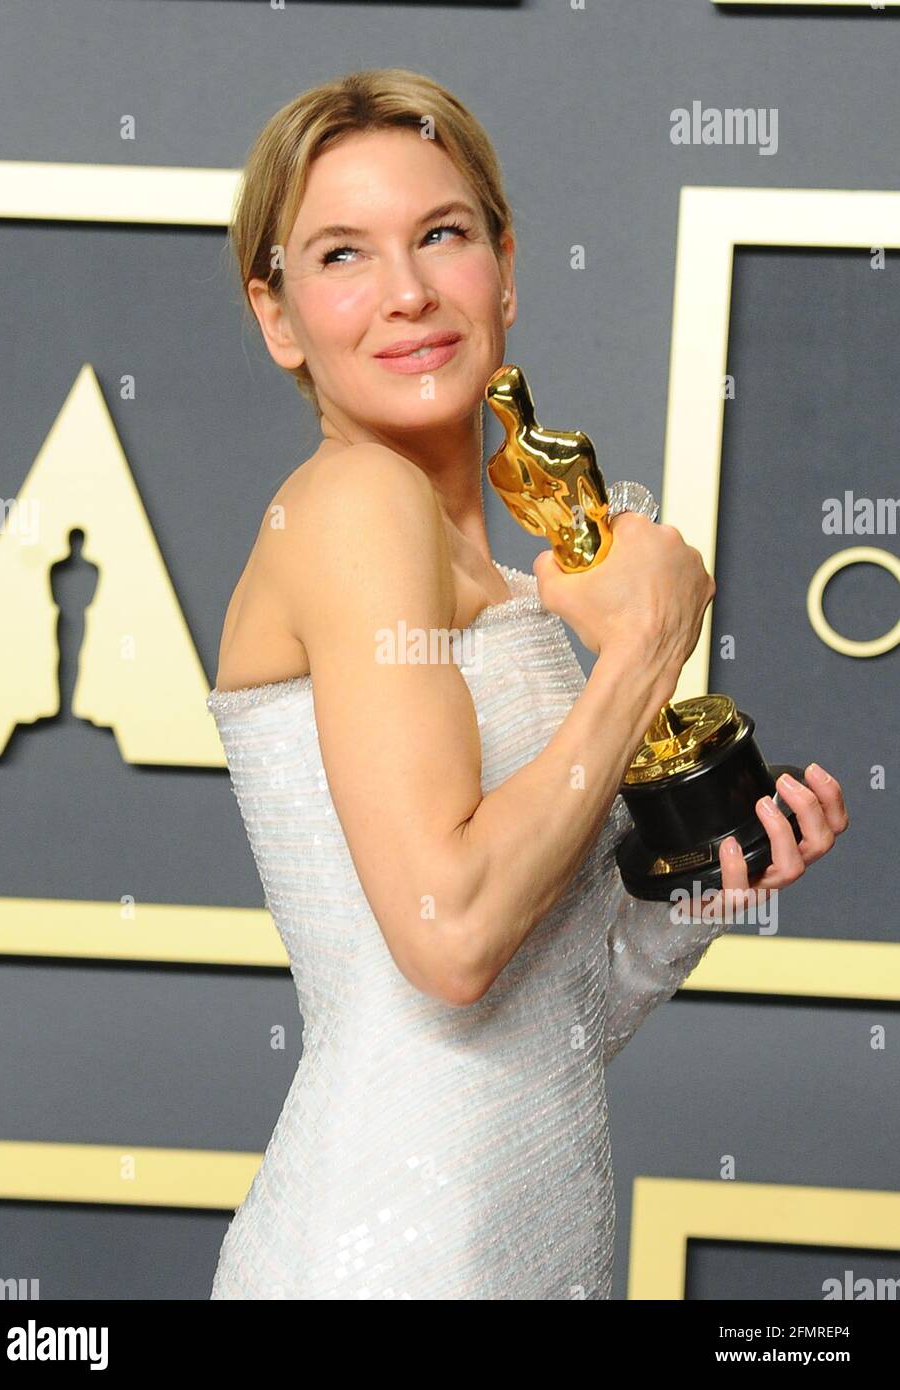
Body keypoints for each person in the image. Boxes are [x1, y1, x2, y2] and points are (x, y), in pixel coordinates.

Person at [206, 68, 848, 1300]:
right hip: (381, 1259)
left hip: (527, 1250)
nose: (406, 293)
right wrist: (643, 648)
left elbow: (551, 1021)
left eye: (439, 234)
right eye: (342, 255)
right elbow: (450, 938)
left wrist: (707, 888)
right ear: (278, 315)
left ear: (503, 265)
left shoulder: (507, 583)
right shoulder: (355, 504)